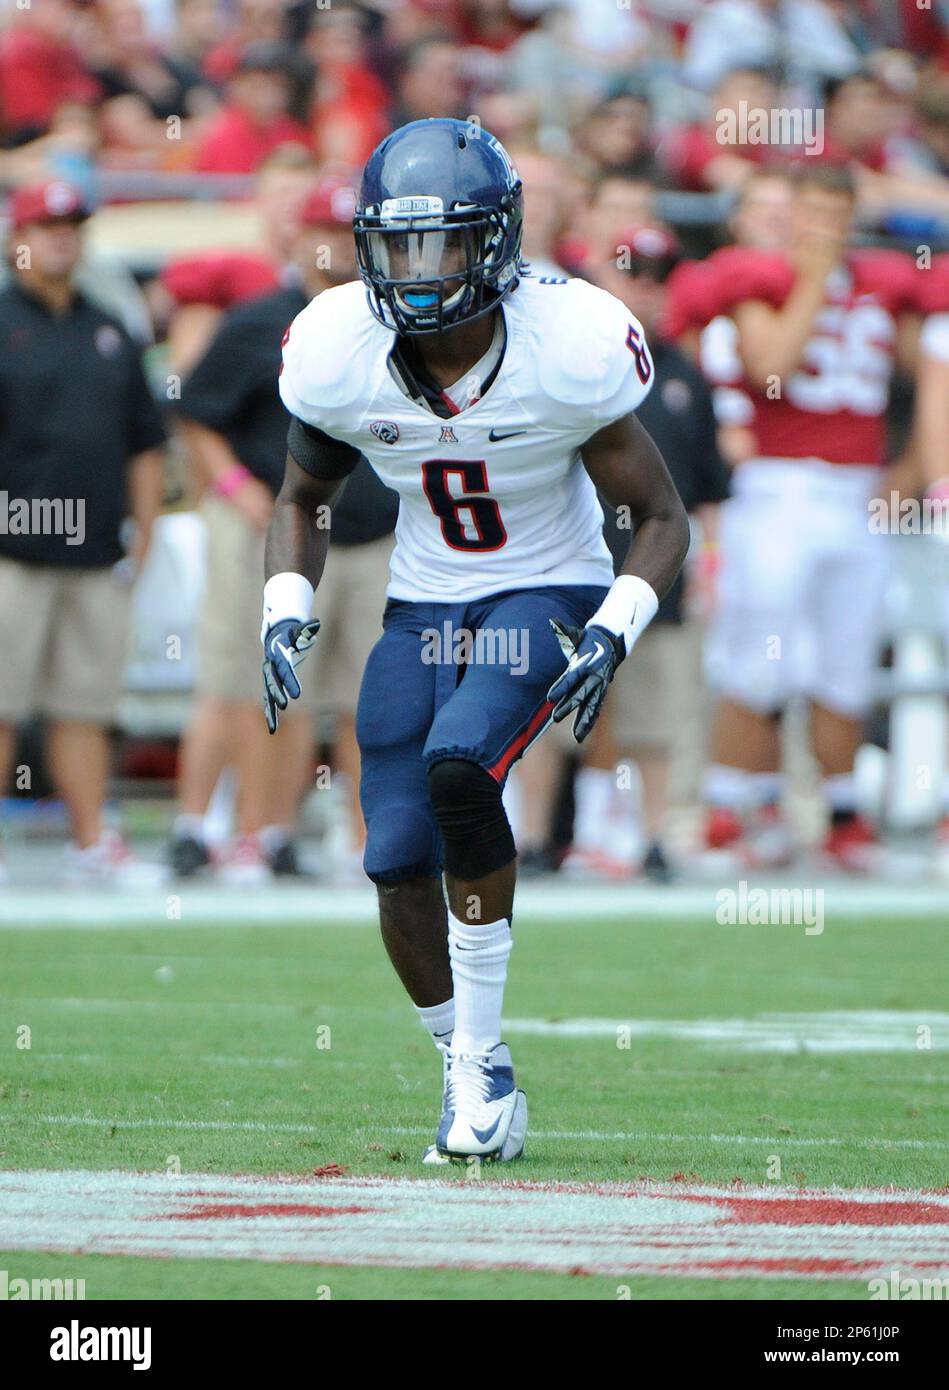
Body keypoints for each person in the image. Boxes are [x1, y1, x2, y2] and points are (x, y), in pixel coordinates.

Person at [260, 119, 689, 1164]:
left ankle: (481, 1060)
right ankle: (469, 1061)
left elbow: (663, 517)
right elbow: (302, 496)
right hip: (421, 602)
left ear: (493, 241)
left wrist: (613, 627)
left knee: (462, 767)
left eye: (442, 243)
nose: (417, 270)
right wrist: (280, 600)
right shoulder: (336, 348)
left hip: (547, 586)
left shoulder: (572, 342)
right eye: (398, 245)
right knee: (394, 857)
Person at [168, 178, 374, 882]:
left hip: (365, 528)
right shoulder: (261, 319)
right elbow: (197, 411)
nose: (341, 245)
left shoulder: (388, 319)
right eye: (328, 229)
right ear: (298, 236)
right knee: (254, 684)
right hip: (278, 525)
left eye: (352, 232)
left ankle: (331, 837)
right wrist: (233, 486)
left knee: (356, 697)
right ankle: (237, 830)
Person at [0, 181, 166, 885]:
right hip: (10, 548)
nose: (62, 238)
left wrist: (146, 528)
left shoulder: (109, 327)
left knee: (86, 707)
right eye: (49, 226)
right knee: (2, 702)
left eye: (72, 226)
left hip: (96, 549)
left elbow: (143, 441)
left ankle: (92, 841)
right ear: (19, 238)